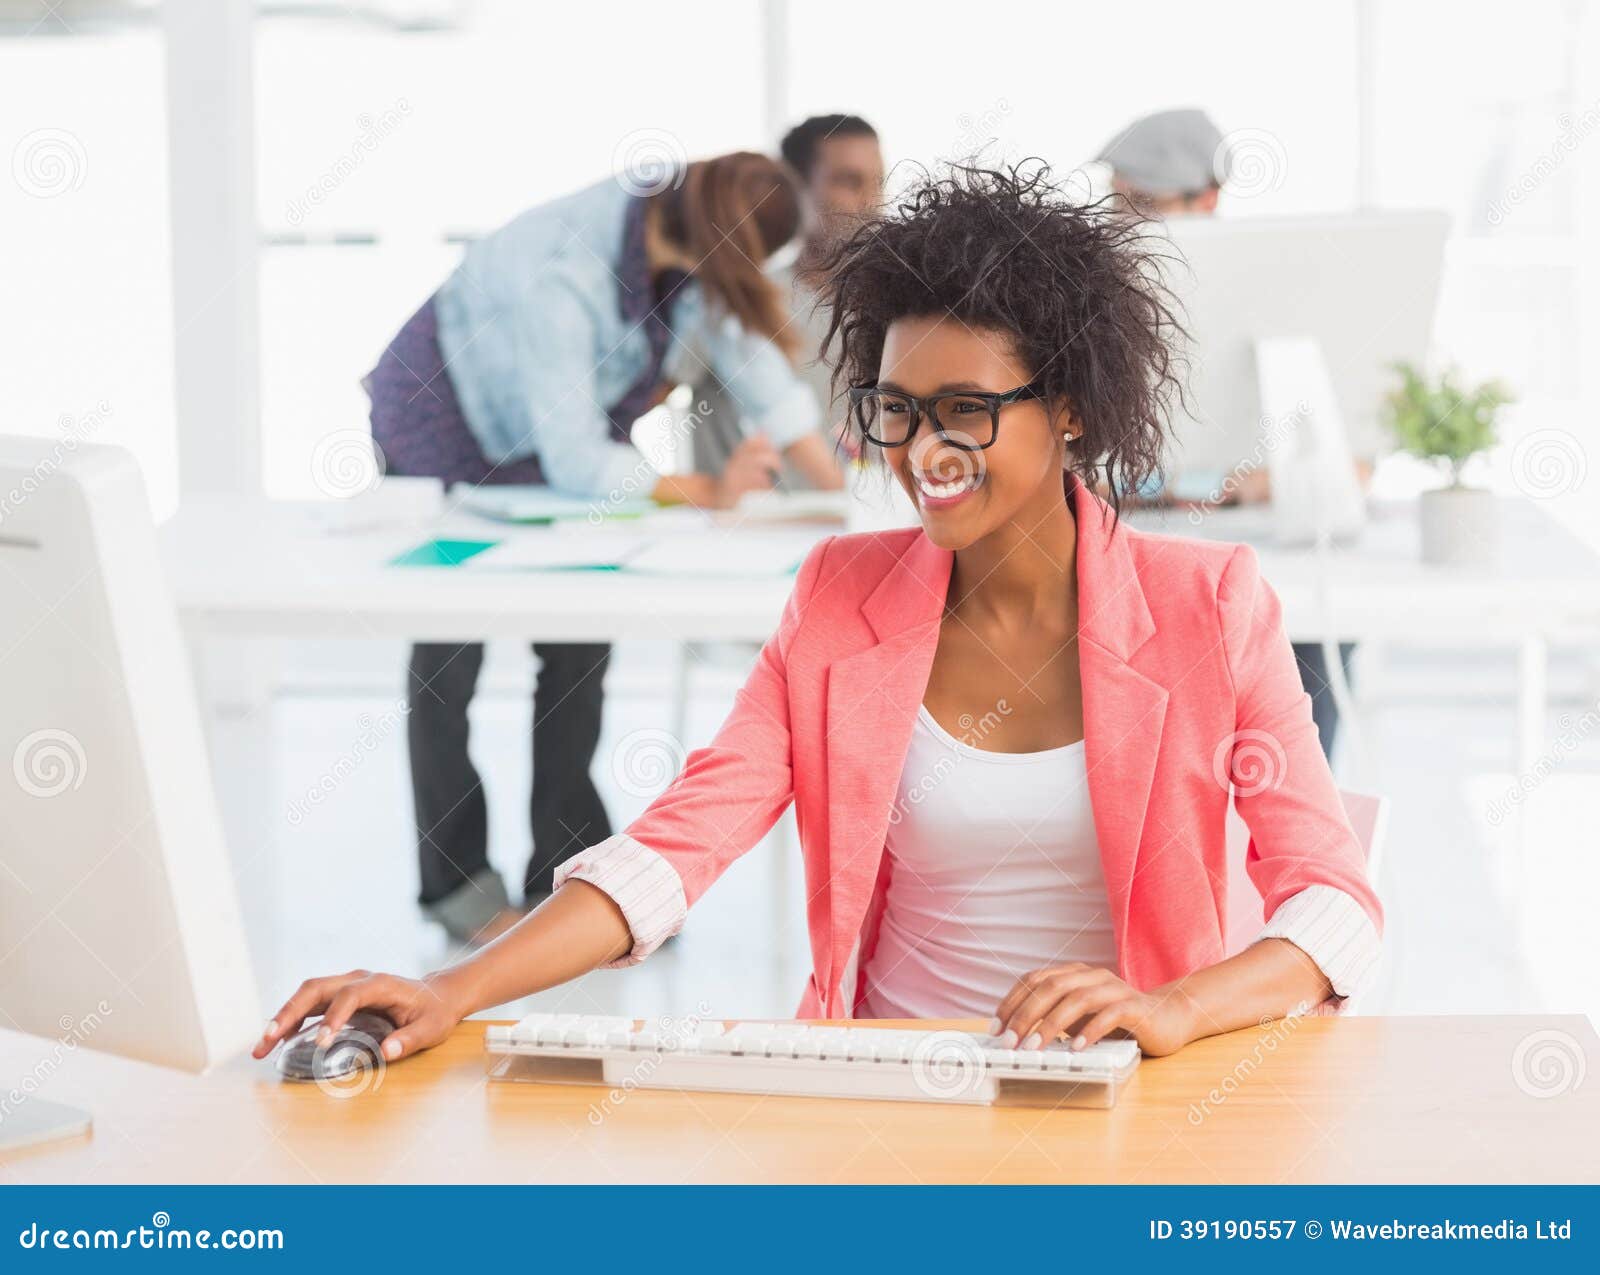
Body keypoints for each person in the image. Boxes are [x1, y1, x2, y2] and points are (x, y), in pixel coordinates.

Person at [260, 164, 1381, 1067]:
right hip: (884, 1090)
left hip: (1126, 1096)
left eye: (965, 413)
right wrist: (451, 990)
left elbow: (1330, 902)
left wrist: (1177, 1009)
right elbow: (680, 842)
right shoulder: (842, 594)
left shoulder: (1210, 603)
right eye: (894, 411)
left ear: (1074, 409)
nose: (919, 452)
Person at [364, 152, 843, 945]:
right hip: (443, 420)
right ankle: (457, 888)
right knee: (451, 656)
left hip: (560, 435)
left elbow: (756, 366)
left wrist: (835, 495)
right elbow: (581, 464)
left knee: (579, 642)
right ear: (717, 246)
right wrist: (712, 492)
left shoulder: (690, 240)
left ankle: (571, 871)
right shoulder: (566, 275)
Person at [1099, 108, 1356, 759]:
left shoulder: (1285, 288)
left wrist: (1239, 485)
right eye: (1117, 202)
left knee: (1293, 734)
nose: (1127, 223)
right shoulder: (1095, 293)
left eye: (1145, 203)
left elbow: (1354, 453)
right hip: (1139, 544)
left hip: (1267, 543)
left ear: (1206, 198)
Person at [692, 115, 884, 481]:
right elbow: (633, 400)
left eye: (878, 183)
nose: (870, 202)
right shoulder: (736, 296)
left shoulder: (899, 312)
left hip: (862, 529)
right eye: (848, 181)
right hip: (748, 530)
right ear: (794, 190)